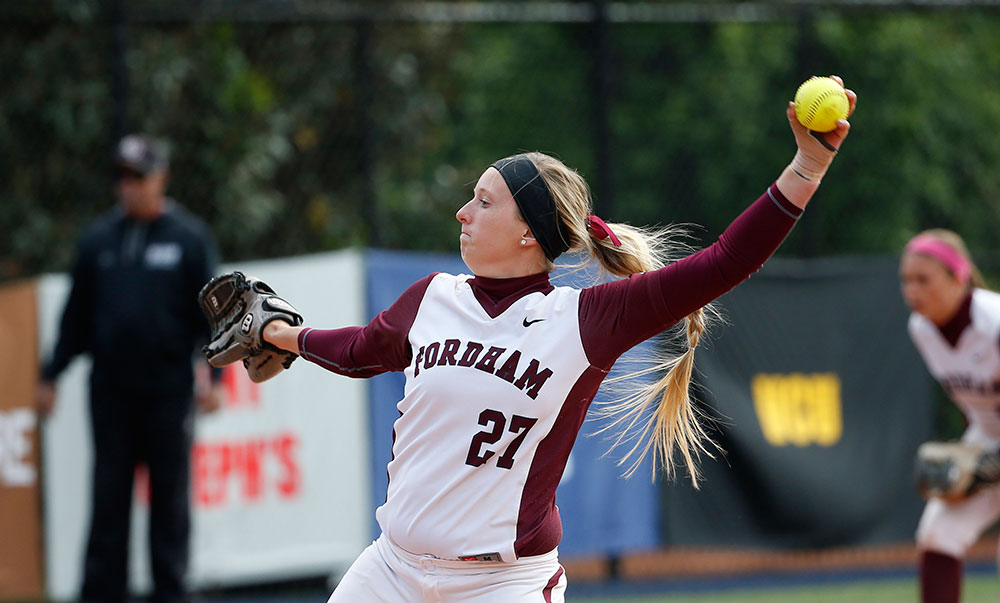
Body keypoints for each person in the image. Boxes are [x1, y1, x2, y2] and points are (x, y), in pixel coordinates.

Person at [259, 77, 855, 602]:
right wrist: (283, 334)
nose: (463, 212)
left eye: (484, 201)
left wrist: (807, 167)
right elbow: (362, 351)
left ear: (527, 233)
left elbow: (725, 261)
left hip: (503, 585)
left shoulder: (585, 320)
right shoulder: (432, 298)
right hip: (391, 570)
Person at [37, 134, 224, 603]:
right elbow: (76, 317)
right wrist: (51, 374)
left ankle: (172, 592)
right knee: (108, 500)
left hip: (168, 392)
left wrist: (216, 375)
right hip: (111, 393)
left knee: (169, 501)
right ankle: (101, 594)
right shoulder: (98, 240)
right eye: (121, 177)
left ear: (161, 177)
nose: (128, 187)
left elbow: (216, 316)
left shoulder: (189, 239)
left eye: (138, 177)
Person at [900, 229, 1000, 603]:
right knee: (939, 532)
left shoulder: (994, 321)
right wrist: (976, 454)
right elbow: (969, 401)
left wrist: (993, 464)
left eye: (923, 279)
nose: (912, 290)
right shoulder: (922, 329)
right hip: (989, 436)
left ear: (958, 277)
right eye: (906, 280)